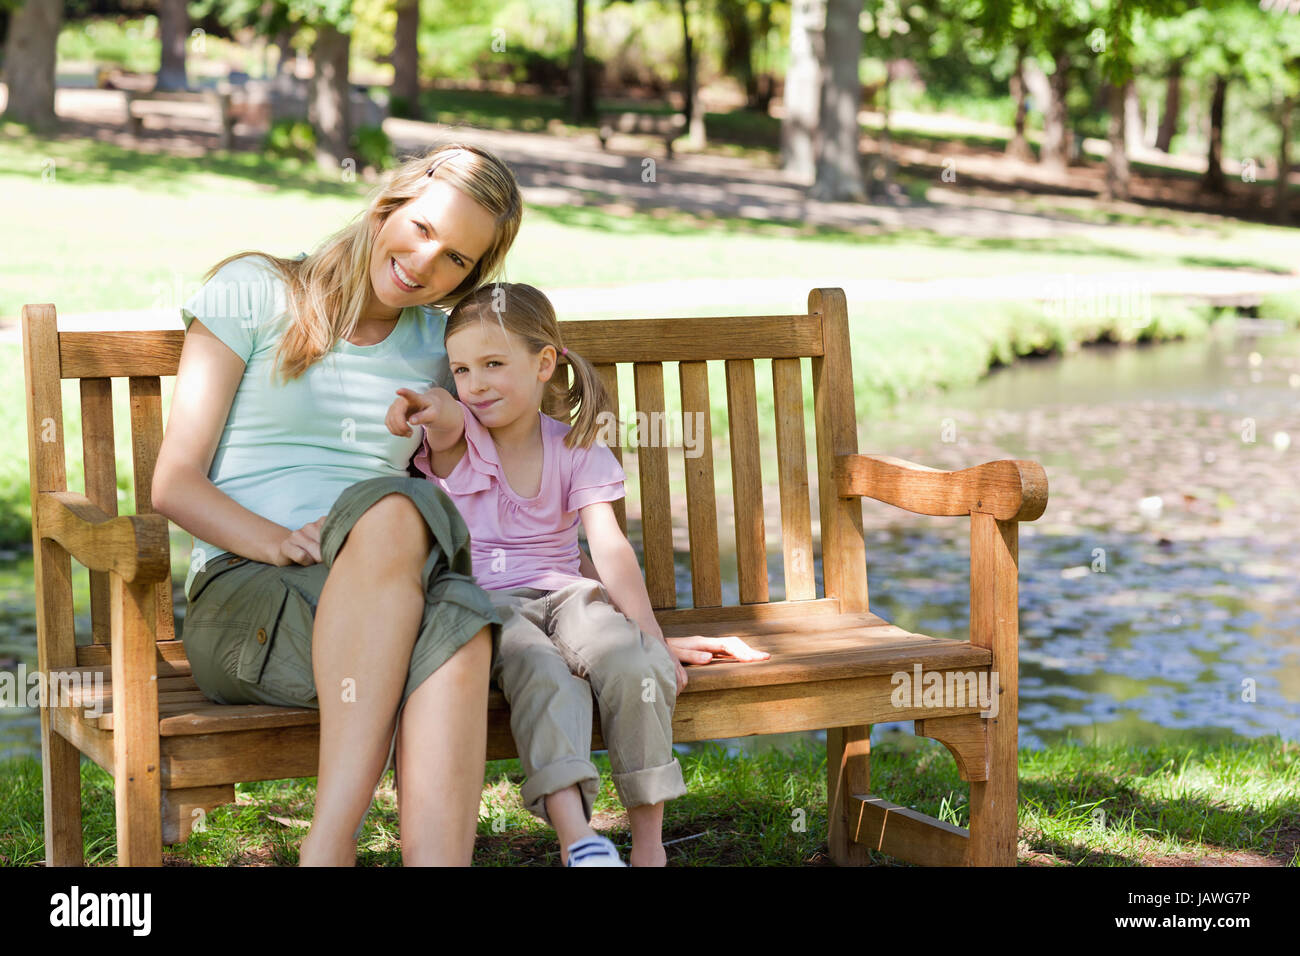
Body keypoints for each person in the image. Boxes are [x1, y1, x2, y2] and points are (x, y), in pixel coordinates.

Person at [152, 144, 524, 866]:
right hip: (246, 602)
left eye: (455, 260)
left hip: (381, 606)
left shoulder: (441, 350)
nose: (424, 264)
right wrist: (280, 541)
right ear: (390, 202)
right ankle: (329, 847)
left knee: (463, 619)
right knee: (394, 510)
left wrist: (612, 625)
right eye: (421, 229)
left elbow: (500, 493)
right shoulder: (254, 290)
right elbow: (174, 483)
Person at [386, 282, 770, 867]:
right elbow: (439, 419)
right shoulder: (459, 441)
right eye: (462, 370)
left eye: (493, 364)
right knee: (544, 671)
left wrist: (650, 637)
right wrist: (425, 407)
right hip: (484, 607)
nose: (476, 384)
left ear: (544, 364)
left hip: (569, 596)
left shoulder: (575, 446)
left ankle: (648, 847)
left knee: (633, 664)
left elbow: (609, 546)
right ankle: (578, 842)